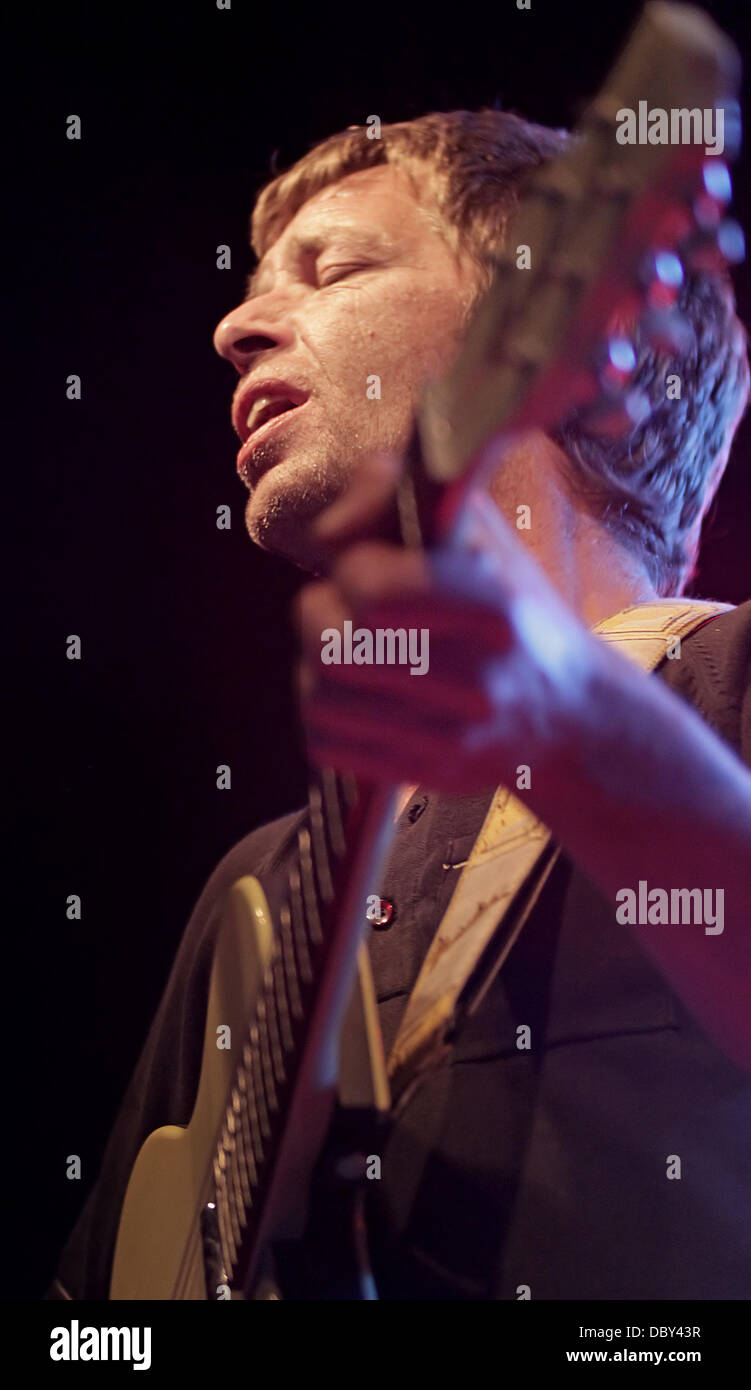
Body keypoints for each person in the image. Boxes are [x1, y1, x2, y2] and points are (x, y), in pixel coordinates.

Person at [46, 110, 751, 1301]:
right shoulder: (254, 894)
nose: (232, 326)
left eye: (335, 266)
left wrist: (574, 724)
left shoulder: (732, 686)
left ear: (580, 330)